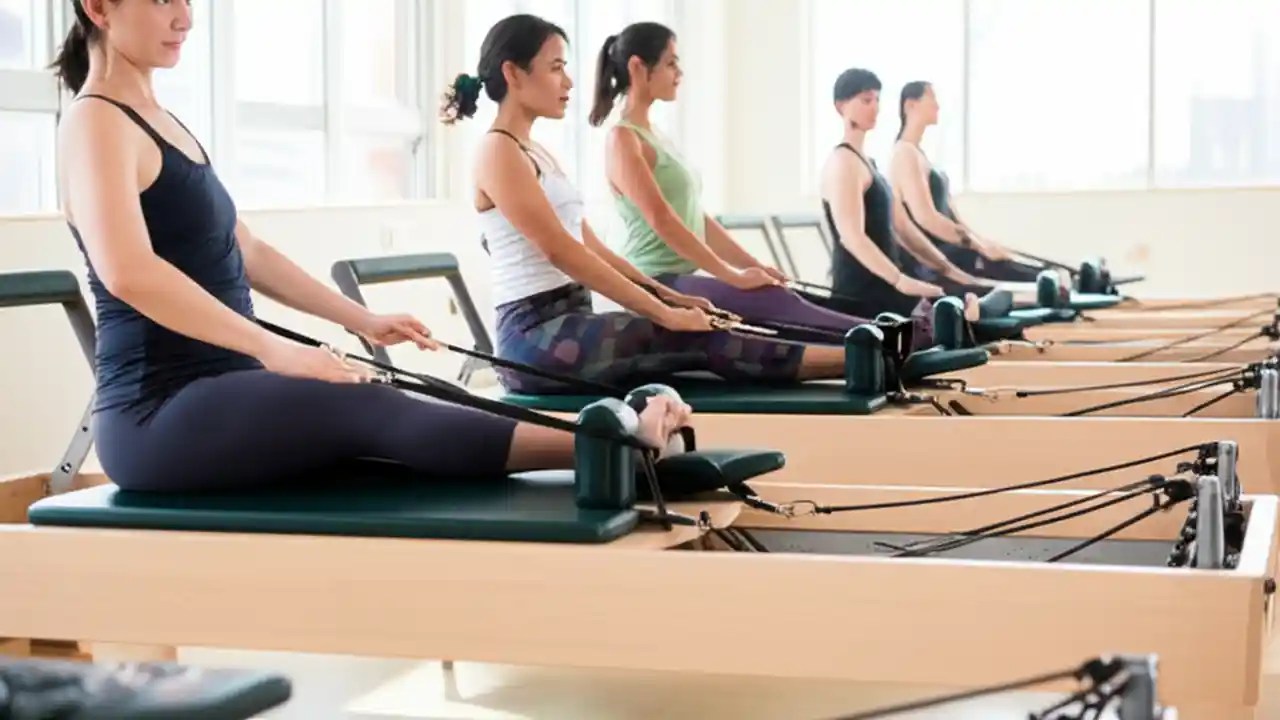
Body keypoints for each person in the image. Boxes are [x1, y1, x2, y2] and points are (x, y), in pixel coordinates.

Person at [51, 0, 689, 493]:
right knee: (363, 405)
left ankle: (606, 442)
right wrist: (276, 351)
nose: (185, 17)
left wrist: (361, 320)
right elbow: (128, 271)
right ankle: (607, 443)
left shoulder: (160, 120)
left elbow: (245, 249)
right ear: (98, 8)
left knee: (381, 394)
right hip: (156, 411)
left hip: (223, 387)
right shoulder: (96, 120)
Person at [441, 14, 858, 396]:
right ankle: (862, 361)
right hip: (533, 339)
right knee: (688, 335)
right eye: (556, 68)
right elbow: (561, 252)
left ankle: (863, 355)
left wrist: (667, 298)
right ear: (512, 73)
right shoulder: (497, 151)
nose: (568, 83)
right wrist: (665, 313)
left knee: (702, 324)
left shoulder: (538, 153)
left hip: (568, 323)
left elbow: (592, 248)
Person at [589, 21, 873, 338]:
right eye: (671, 63)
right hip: (654, 280)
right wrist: (731, 276)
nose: (679, 73)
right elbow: (662, 220)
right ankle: (882, 338)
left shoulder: (657, 137)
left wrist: (755, 268)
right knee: (770, 302)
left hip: (681, 274)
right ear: (638, 68)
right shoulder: (623, 140)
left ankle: (885, 335)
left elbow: (696, 219)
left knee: (777, 291)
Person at [818, 68, 981, 323]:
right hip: (865, 293)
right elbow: (852, 237)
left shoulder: (869, 164)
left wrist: (948, 269)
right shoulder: (843, 163)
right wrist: (899, 280)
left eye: (877, 100)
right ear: (841, 106)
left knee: (977, 300)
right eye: (865, 100)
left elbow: (904, 229)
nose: (875, 108)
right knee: (964, 310)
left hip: (889, 285)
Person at [889, 81, 1045, 283]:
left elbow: (954, 218)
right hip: (939, 256)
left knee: (1017, 265)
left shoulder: (919, 154)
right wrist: (976, 246)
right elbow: (925, 217)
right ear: (910, 105)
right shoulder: (904, 153)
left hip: (955, 248)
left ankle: (1062, 281)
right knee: (1023, 275)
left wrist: (984, 242)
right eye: (932, 98)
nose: (937, 106)